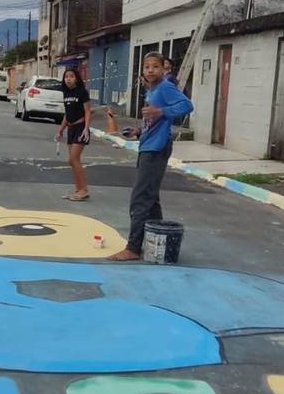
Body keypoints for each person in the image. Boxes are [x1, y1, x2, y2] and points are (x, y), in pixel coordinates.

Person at [109, 52, 195, 262]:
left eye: (155, 66)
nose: (150, 70)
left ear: (164, 69)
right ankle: (158, 241)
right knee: (151, 198)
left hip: (157, 148)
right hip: (148, 144)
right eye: (146, 67)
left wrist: (161, 111)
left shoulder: (165, 87)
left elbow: (187, 106)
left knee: (140, 198)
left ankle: (133, 247)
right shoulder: (152, 90)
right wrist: (138, 130)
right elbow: (152, 121)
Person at [55, 66, 91, 201]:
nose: (68, 79)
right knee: (73, 161)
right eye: (66, 77)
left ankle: (84, 189)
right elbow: (67, 114)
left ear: (76, 78)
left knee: (73, 159)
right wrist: (60, 130)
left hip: (80, 127)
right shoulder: (66, 93)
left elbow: (87, 111)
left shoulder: (82, 92)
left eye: (71, 76)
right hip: (70, 128)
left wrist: (86, 128)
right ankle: (78, 189)